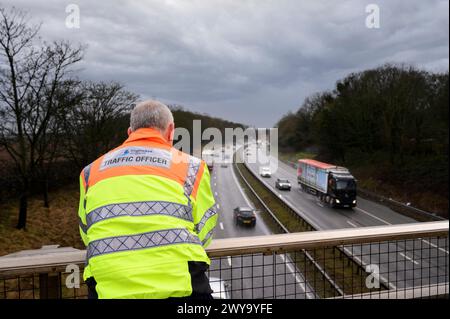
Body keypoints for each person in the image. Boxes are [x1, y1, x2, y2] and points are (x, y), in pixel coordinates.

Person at [78, 100, 218, 299]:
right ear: (171, 131)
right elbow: (205, 230)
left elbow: (86, 231)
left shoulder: (90, 172)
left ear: (129, 132)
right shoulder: (192, 167)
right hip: (181, 285)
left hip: (109, 287)